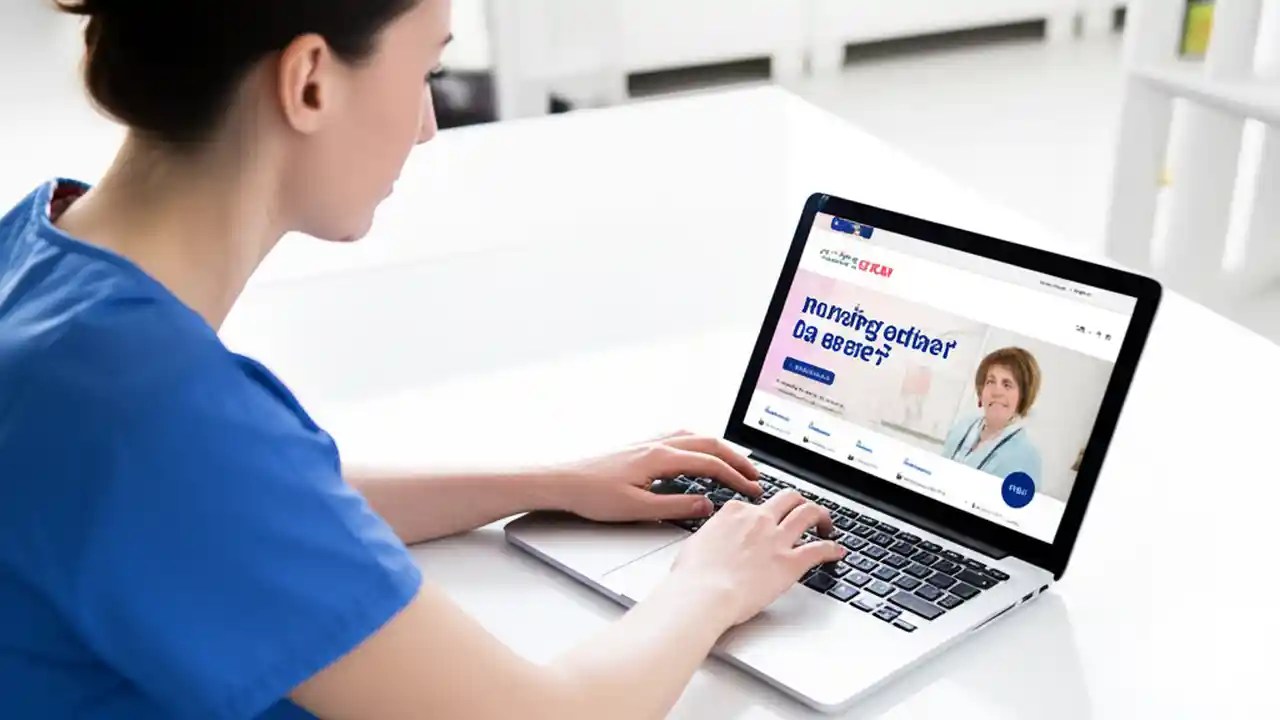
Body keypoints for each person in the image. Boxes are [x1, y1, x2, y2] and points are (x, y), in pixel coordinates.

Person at [0, 1, 848, 718]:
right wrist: (710, 586)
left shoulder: (40, 255)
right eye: (426, 76)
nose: (428, 127)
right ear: (310, 83)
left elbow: (232, 507)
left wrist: (549, 482)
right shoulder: (152, 411)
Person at [940, 347, 1043, 482]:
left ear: (1023, 396)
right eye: (990, 381)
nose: (996, 392)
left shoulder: (1027, 456)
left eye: (1007, 385)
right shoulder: (961, 426)